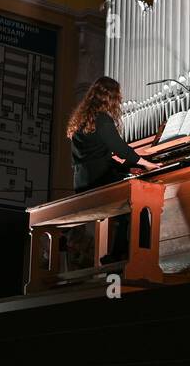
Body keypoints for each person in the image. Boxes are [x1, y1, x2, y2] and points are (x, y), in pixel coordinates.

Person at [66, 76, 159, 262]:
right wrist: (146, 163)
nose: (121, 100)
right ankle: (143, 257)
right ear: (110, 98)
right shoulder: (102, 119)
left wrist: (128, 169)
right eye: (118, 97)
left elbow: (96, 157)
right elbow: (120, 149)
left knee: (128, 207)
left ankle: (118, 253)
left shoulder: (82, 122)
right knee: (140, 203)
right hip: (99, 181)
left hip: (83, 183)